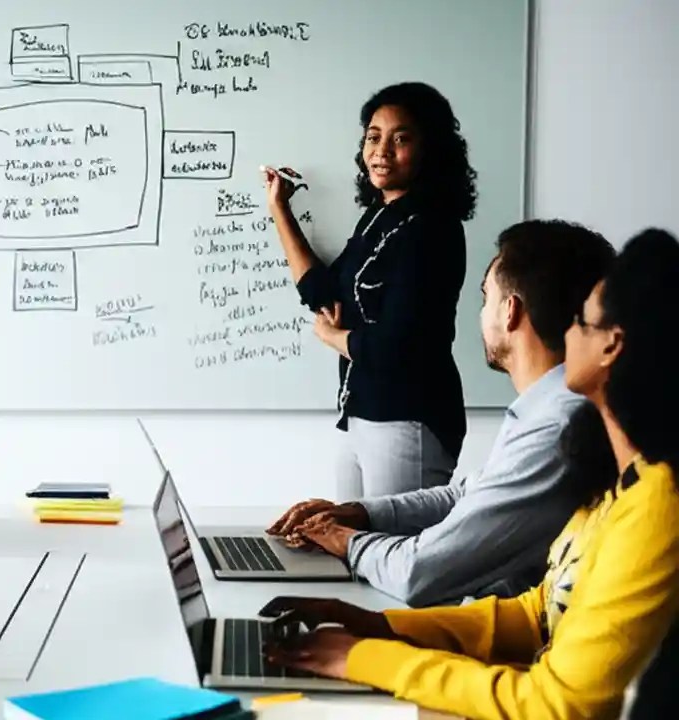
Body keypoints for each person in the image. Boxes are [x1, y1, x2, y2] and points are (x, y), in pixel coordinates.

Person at [262, 229, 679, 720]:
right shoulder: (615, 480)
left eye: (581, 324)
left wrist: (362, 656)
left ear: (612, 346)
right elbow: (537, 614)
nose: (565, 335)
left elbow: (556, 703)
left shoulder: (657, 502)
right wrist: (375, 625)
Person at [266, 220, 616, 606]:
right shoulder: (549, 409)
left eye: (486, 298)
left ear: (510, 312)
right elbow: (469, 493)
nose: (481, 314)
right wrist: (360, 514)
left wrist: (345, 540)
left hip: (502, 640)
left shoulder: (559, 427)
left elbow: (419, 572)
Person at [266, 82, 477, 499]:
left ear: (429, 148)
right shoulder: (376, 219)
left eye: (401, 138)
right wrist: (280, 208)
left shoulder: (431, 228)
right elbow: (322, 293)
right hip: (358, 412)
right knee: (350, 548)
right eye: (373, 137)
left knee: (392, 556)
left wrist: (334, 337)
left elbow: (397, 347)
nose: (382, 150)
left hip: (408, 417)